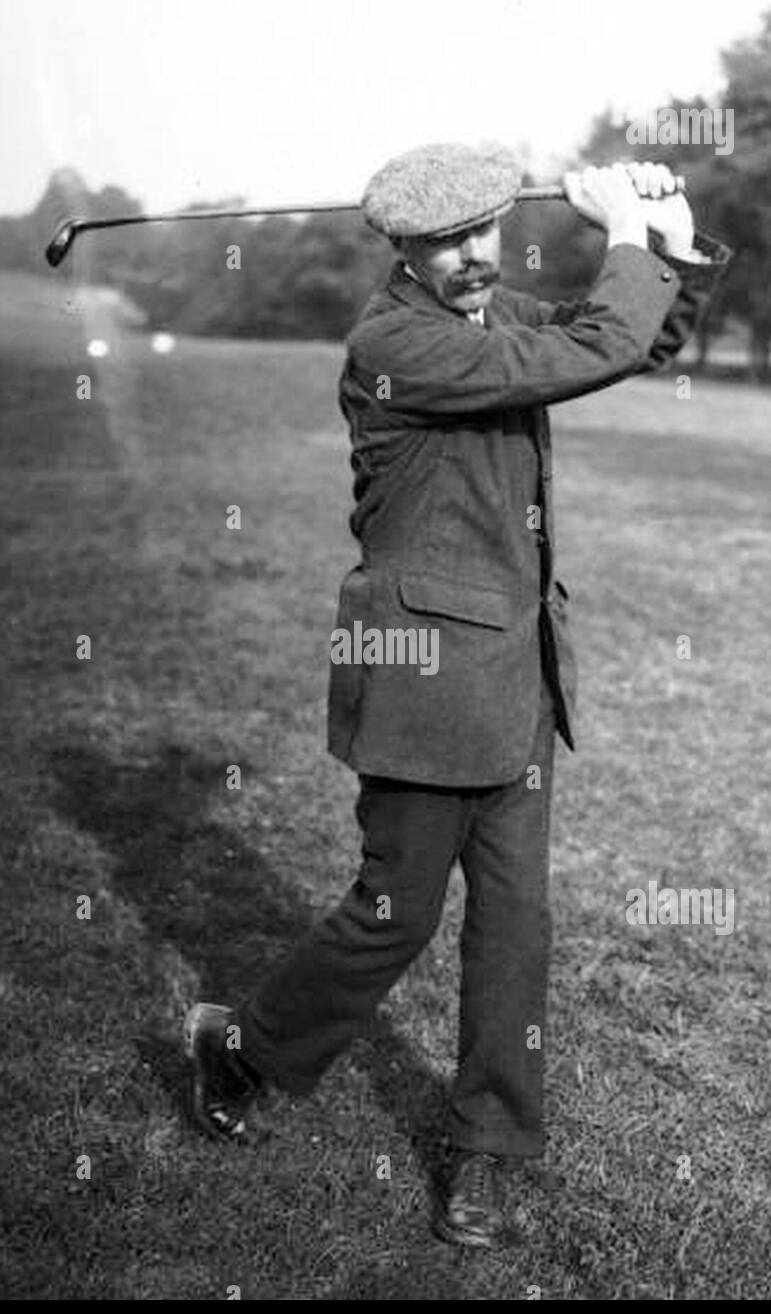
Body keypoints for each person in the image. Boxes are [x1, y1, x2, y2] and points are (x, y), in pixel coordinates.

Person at [185, 144, 730, 1248]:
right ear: (402, 248)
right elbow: (602, 337)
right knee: (395, 916)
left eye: (484, 233)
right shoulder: (394, 346)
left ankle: (489, 1150)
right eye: (447, 243)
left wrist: (666, 242)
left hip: (519, 674)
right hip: (425, 678)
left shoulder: (488, 316)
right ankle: (240, 1046)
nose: (476, 257)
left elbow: (635, 339)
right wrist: (620, 232)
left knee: (515, 928)